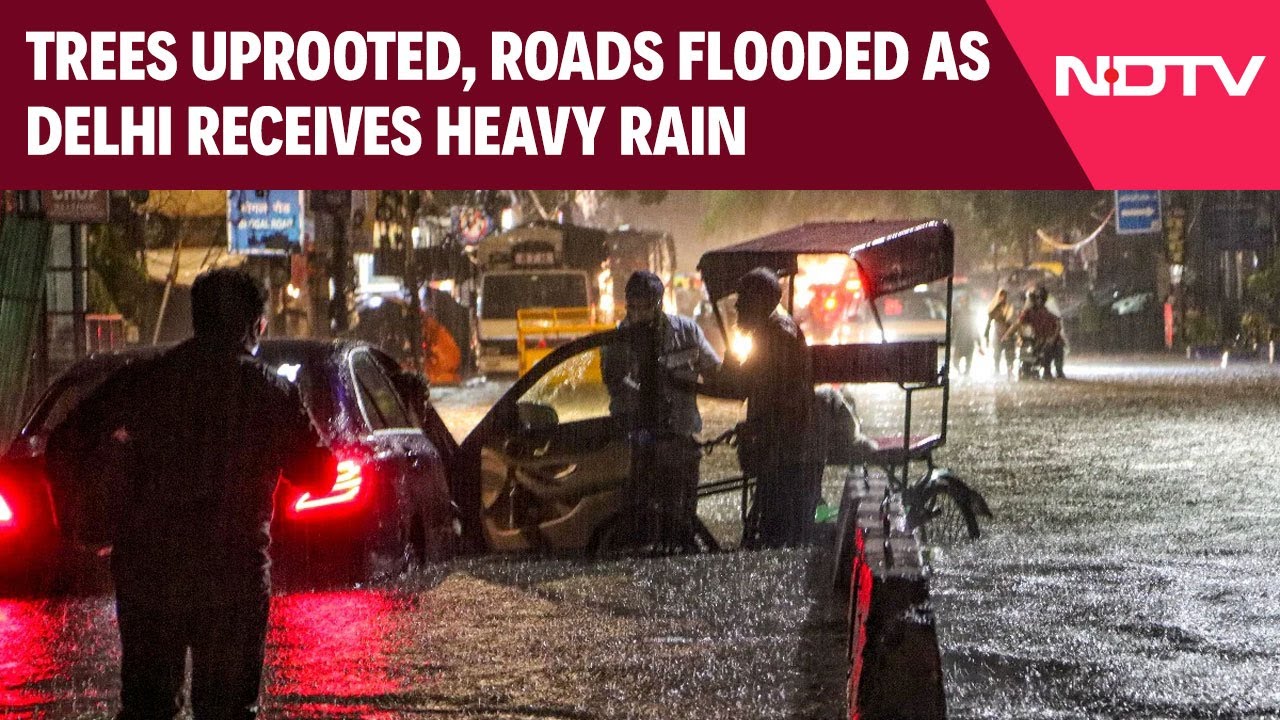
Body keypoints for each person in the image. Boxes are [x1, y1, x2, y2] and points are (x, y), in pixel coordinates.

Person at [47, 268, 334, 720]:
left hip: (148, 573)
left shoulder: (143, 380)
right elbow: (320, 475)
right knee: (227, 710)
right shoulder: (269, 392)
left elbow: (64, 442)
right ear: (255, 326)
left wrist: (82, 522)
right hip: (232, 578)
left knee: (146, 708)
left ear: (197, 320)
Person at [601, 271, 721, 551]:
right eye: (633, 307)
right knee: (640, 523)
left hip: (680, 440)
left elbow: (714, 372)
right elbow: (615, 387)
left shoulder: (687, 332)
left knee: (682, 522)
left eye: (647, 306)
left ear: (659, 303)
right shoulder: (617, 343)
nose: (640, 314)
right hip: (636, 445)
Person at [715, 267, 820, 548]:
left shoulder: (777, 336)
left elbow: (749, 389)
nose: (737, 308)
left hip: (787, 454)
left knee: (777, 539)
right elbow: (746, 385)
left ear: (761, 302)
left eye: (743, 301)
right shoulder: (768, 333)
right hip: (777, 447)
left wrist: (756, 428)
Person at [1003, 284, 1066, 379]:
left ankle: (1055, 370)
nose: (1039, 300)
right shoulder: (1029, 312)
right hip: (1036, 339)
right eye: (1037, 298)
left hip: (1051, 339)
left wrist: (1052, 338)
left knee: (1057, 346)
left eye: (1040, 298)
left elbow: (1058, 325)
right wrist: (1007, 335)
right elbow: (1018, 323)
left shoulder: (1050, 311)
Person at [984, 288, 1017, 376]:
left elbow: (1013, 321)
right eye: (1001, 296)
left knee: (1009, 354)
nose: (1003, 298)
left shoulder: (1009, 307)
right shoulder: (994, 309)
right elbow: (989, 323)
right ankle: (997, 370)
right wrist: (986, 336)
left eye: (1004, 296)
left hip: (1008, 333)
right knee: (997, 354)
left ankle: (1009, 369)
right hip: (997, 333)